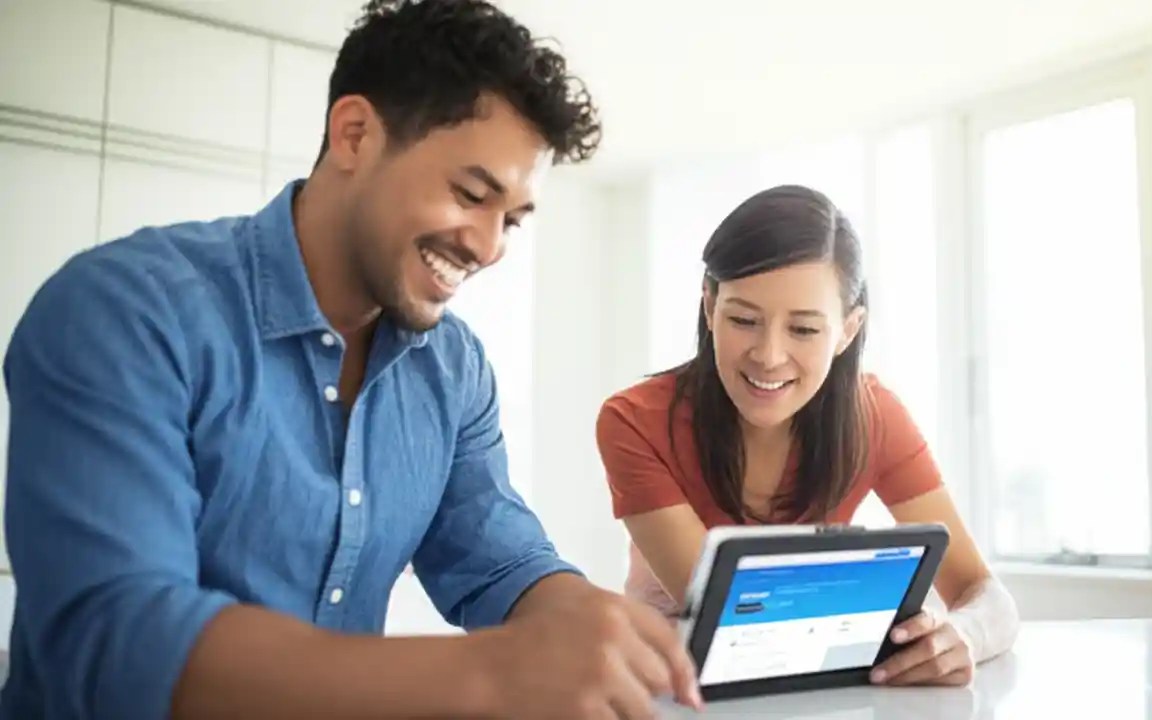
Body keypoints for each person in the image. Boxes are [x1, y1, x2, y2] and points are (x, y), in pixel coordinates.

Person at [0, 1, 701, 717]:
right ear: (355, 134)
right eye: (470, 194)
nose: (490, 247)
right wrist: (491, 673)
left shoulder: (453, 368)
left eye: (512, 220)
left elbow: (500, 560)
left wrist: (588, 626)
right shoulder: (128, 310)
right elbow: (118, 642)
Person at [596, 184, 1020, 687]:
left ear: (848, 329)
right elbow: (730, 622)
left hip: (822, 686)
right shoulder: (636, 420)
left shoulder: (874, 416)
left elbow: (985, 594)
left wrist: (962, 635)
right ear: (709, 307)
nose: (769, 355)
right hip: (671, 690)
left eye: (803, 330)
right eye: (744, 319)